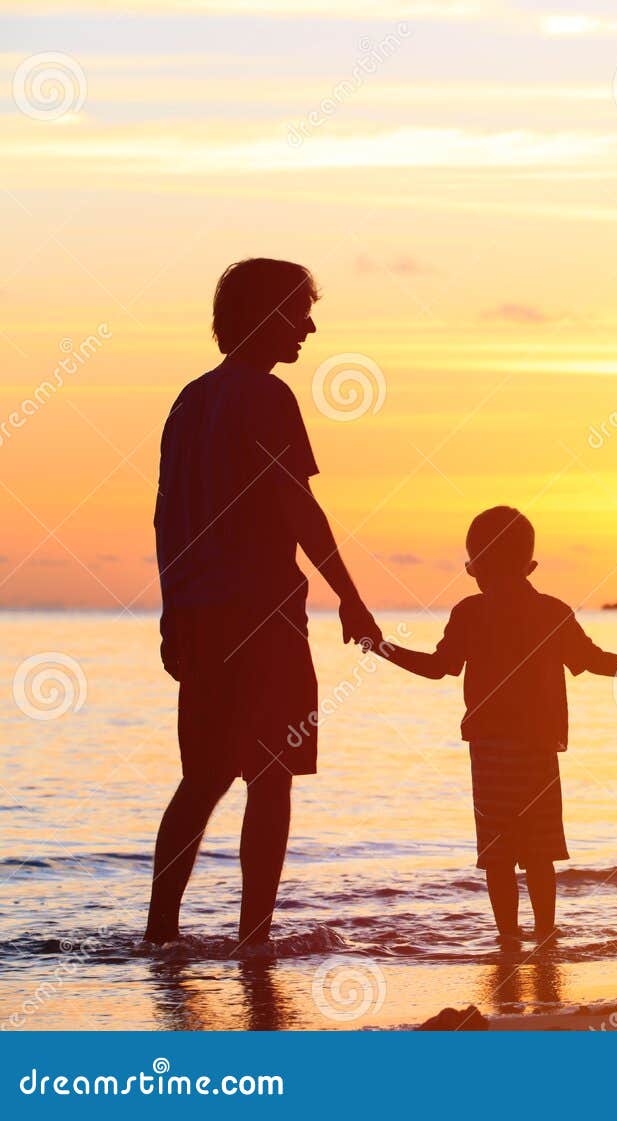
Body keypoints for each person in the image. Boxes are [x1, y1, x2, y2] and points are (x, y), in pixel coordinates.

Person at [146, 258, 379, 949]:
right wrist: (353, 599)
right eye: (298, 312)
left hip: (201, 616)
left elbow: (167, 519)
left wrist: (172, 611)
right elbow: (297, 506)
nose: (309, 326)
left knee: (203, 779)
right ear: (263, 315)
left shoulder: (189, 401)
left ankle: (159, 933)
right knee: (270, 777)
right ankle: (254, 937)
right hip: (264, 618)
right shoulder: (267, 398)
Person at [373, 506, 617, 946]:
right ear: (529, 565)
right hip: (539, 750)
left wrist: (380, 647)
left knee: (498, 854)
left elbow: (438, 668)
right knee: (540, 852)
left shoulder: (470, 612)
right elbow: (593, 659)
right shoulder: (551, 612)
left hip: (490, 754)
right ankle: (545, 934)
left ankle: (509, 937)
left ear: (477, 566)